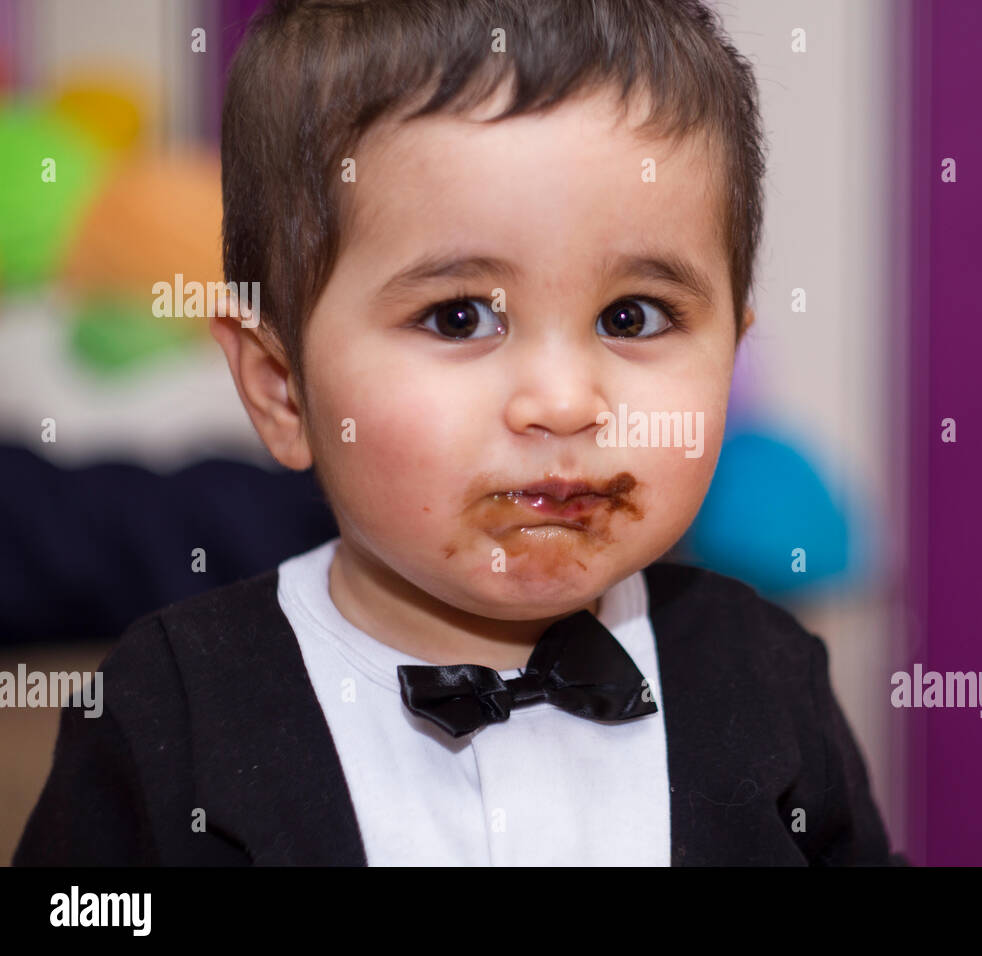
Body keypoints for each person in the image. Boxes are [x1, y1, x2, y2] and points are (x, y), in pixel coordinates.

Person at [14, 0, 902, 866]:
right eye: (458, 317)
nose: (562, 402)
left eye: (632, 317)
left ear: (730, 355)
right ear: (284, 389)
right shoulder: (173, 709)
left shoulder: (769, 675)